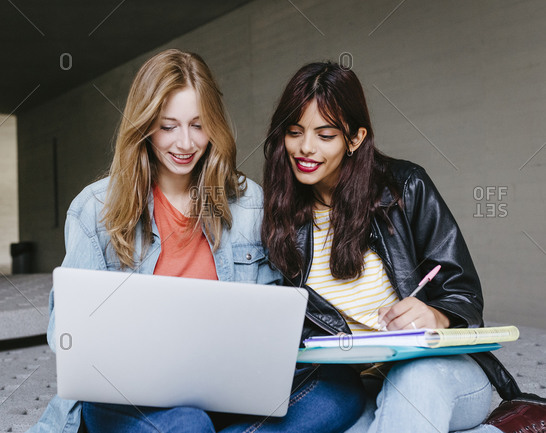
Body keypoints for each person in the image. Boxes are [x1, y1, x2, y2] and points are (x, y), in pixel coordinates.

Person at [29, 49, 365, 433]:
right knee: (188, 424)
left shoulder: (250, 203)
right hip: (126, 397)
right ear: (144, 126)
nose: (185, 143)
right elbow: (65, 333)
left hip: (226, 389)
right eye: (168, 126)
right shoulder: (95, 208)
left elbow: (271, 315)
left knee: (342, 387)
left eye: (198, 125)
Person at [261, 60, 546, 433]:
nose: (306, 148)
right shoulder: (278, 214)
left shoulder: (405, 187)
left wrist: (436, 316)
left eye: (325, 135)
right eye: (295, 132)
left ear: (356, 138)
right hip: (354, 385)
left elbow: (464, 293)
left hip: (438, 371)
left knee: (411, 386)